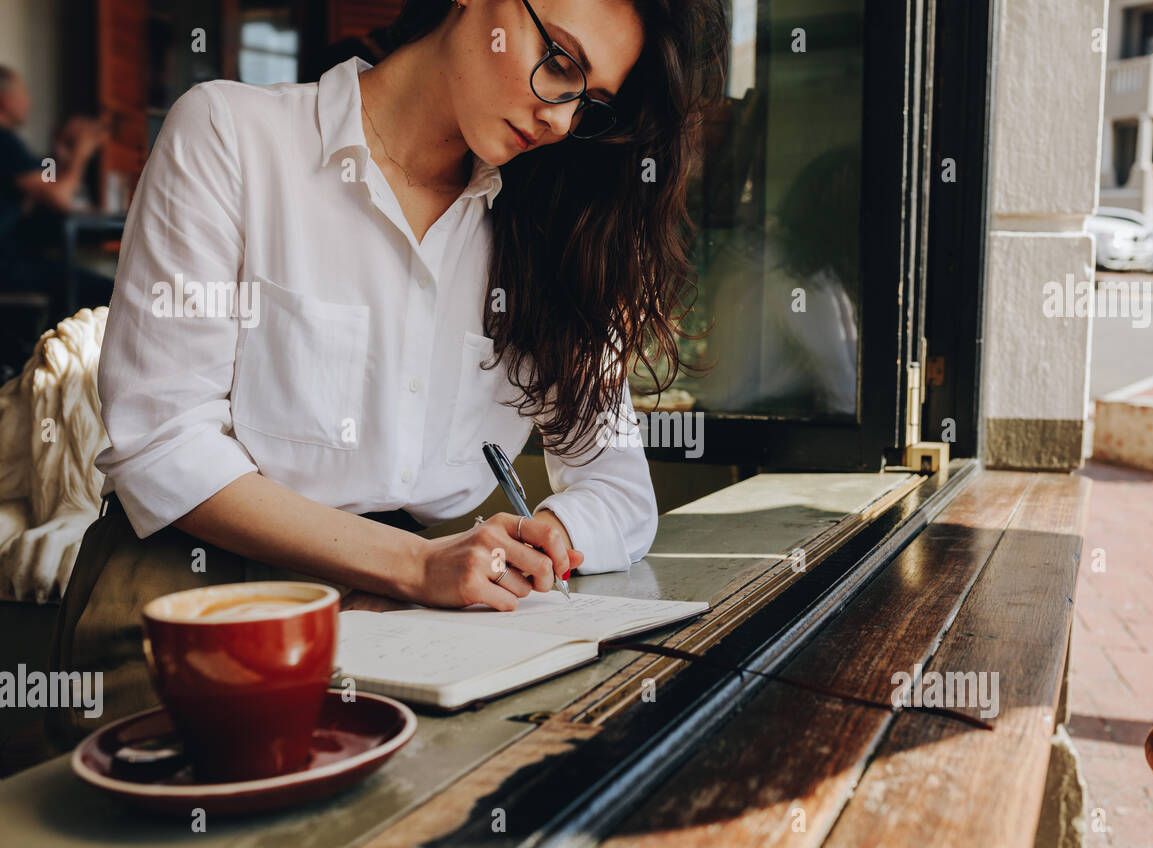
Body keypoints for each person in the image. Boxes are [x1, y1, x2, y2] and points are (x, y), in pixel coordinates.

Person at [38, 0, 729, 759]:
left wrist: (544, 539)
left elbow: (620, 492)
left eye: (590, 103)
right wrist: (414, 565)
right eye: (558, 61)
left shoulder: (554, 226)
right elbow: (164, 445)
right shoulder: (233, 137)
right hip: (189, 603)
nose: (561, 120)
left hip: (412, 627)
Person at [0, 66, 115, 321]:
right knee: (107, 292)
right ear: (5, 99)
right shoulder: (4, 142)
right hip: (6, 263)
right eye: (23, 93)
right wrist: (81, 153)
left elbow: (46, 189)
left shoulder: (9, 145)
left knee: (68, 287)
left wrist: (62, 158)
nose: (29, 101)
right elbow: (61, 198)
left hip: (13, 256)